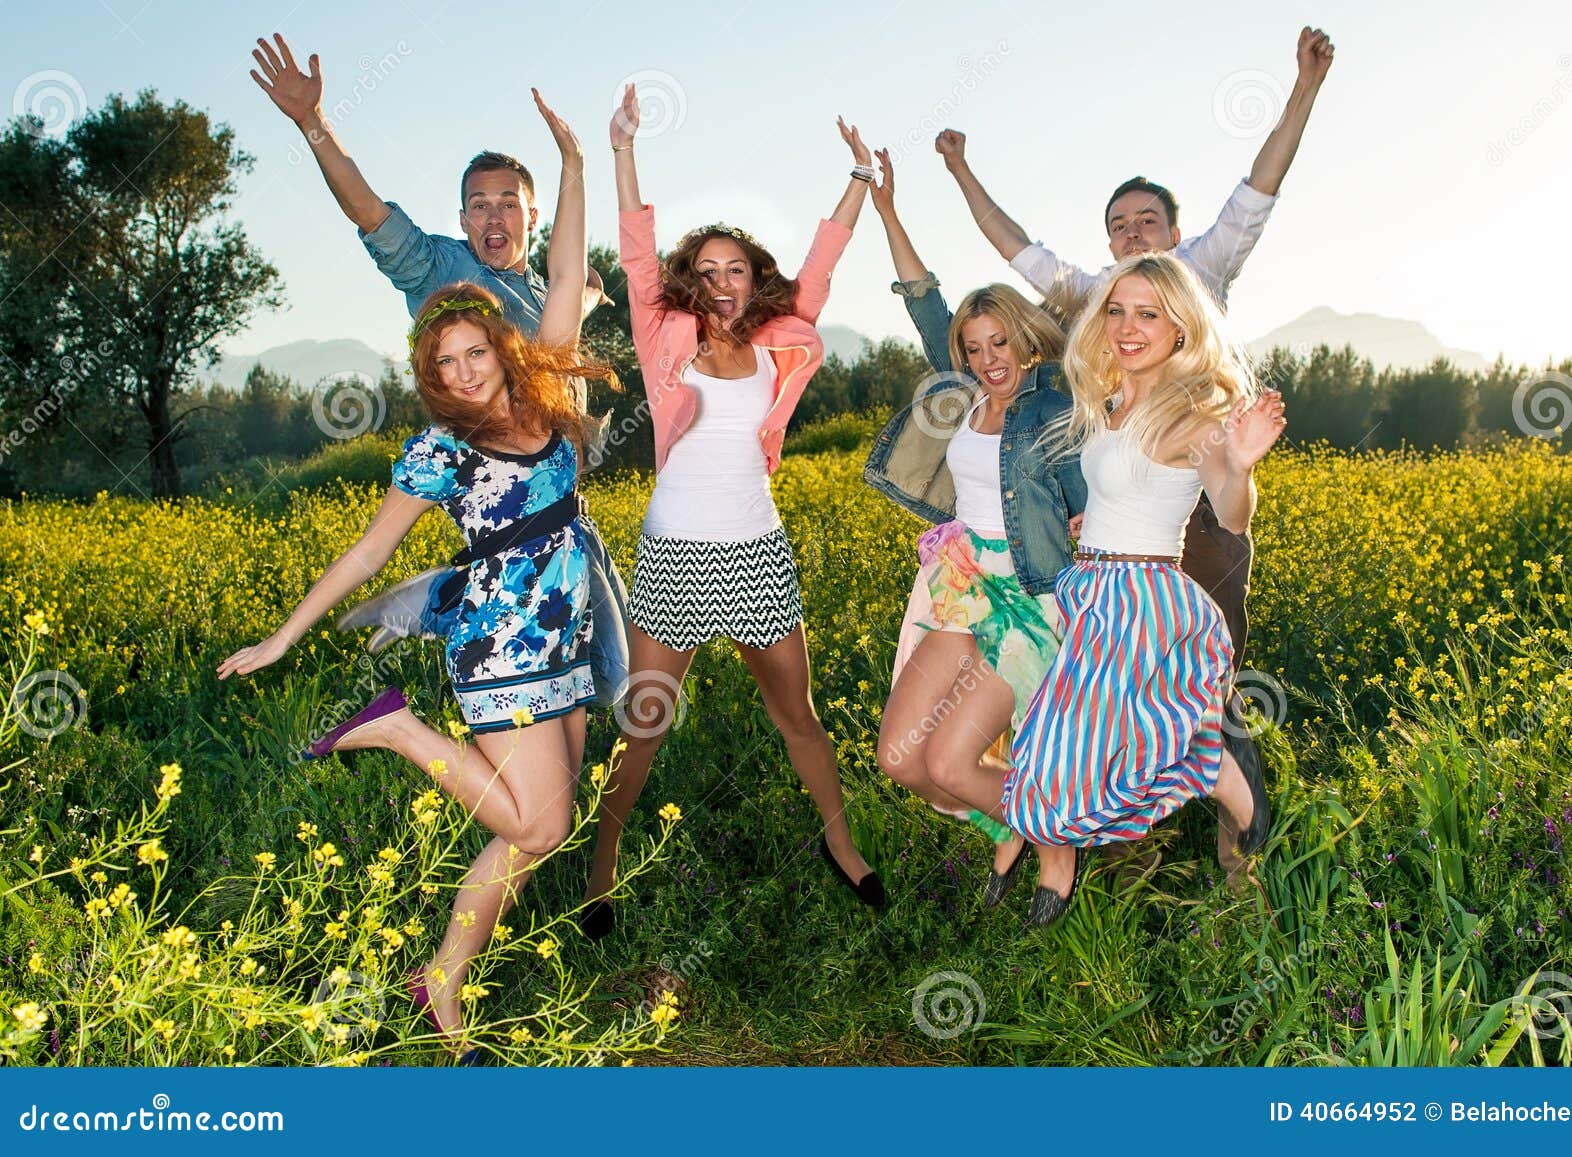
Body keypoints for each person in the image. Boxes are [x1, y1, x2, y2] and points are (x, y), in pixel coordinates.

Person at [217, 91, 611, 1060]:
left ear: (502, 348)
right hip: (500, 641)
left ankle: (438, 976)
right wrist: (284, 634)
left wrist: (573, 163)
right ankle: (394, 726)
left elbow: (565, 270)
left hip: (564, 627)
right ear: (432, 372)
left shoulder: (545, 385)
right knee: (540, 816)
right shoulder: (436, 448)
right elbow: (367, 552)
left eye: (479, 349)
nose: (469, 367)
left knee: (535, 834)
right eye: (449, 359)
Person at [576, 85, 881, 938]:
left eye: (733, 269)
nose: (717, 282)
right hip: (675, 554)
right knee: (646, 721)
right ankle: (601, 862)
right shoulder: (661, 332)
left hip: (757, 552)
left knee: (799, 716)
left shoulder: (784, 336)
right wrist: (622, 147)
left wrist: (859, 175)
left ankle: (841, 843)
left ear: (754, 279)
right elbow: (635, 251)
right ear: (688, 281)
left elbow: (823, 265)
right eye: (703, 271)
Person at [935, 25, 1334, 669]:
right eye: (1118, 226)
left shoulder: (1205, 266)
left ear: (1175, 232)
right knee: (1116, 678)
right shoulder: (1095, 297)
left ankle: (1218, 767)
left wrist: (1304, 87)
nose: (1132, 233)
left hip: (1201, 496)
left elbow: (1259, 188)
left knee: (1204, 674)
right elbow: (1014, 247)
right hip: (1120, 515)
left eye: (1147, 219)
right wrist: (960, 170)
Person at [248, 33, 628, 702]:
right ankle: (452, 595)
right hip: (500, 500)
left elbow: (565, 301)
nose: (493, 215)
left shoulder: (546, 299)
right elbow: (367, 209)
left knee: (603, 688)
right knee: (603, 689)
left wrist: (591, 290)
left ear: (531, 216)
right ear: (462, 217)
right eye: (479, 204)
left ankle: (448, 595)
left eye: (508, 201)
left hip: (565, 510)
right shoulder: (440, 270)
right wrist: (314, 124)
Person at [914, 252, 1281, 927]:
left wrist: (1240, 464)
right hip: (1096, 585)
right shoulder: (1112, 400)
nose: (1126, 326)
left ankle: (1222, 779)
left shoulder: (1189, 411)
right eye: (1117, 309)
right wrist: (1093, 520)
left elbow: (1229, 511)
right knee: (1053, 763)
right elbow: (1128, 484)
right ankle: (1211, 765)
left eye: (1148, 314)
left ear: (1181, 326)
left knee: (1063, 767)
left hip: (1140, 600)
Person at [859, 147, 1087, 911]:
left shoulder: (1054, 407)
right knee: (901, 757)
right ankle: (1018, 816)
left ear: (1027, 340)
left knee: (953, 762)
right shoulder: (962, 392)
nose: (988, 359)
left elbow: (1087, 509)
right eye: (974, 346)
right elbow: (924, 300)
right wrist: (888, 208)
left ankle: (1053, 842)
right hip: (959, 589)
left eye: (1001, 343)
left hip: (1025, 604)